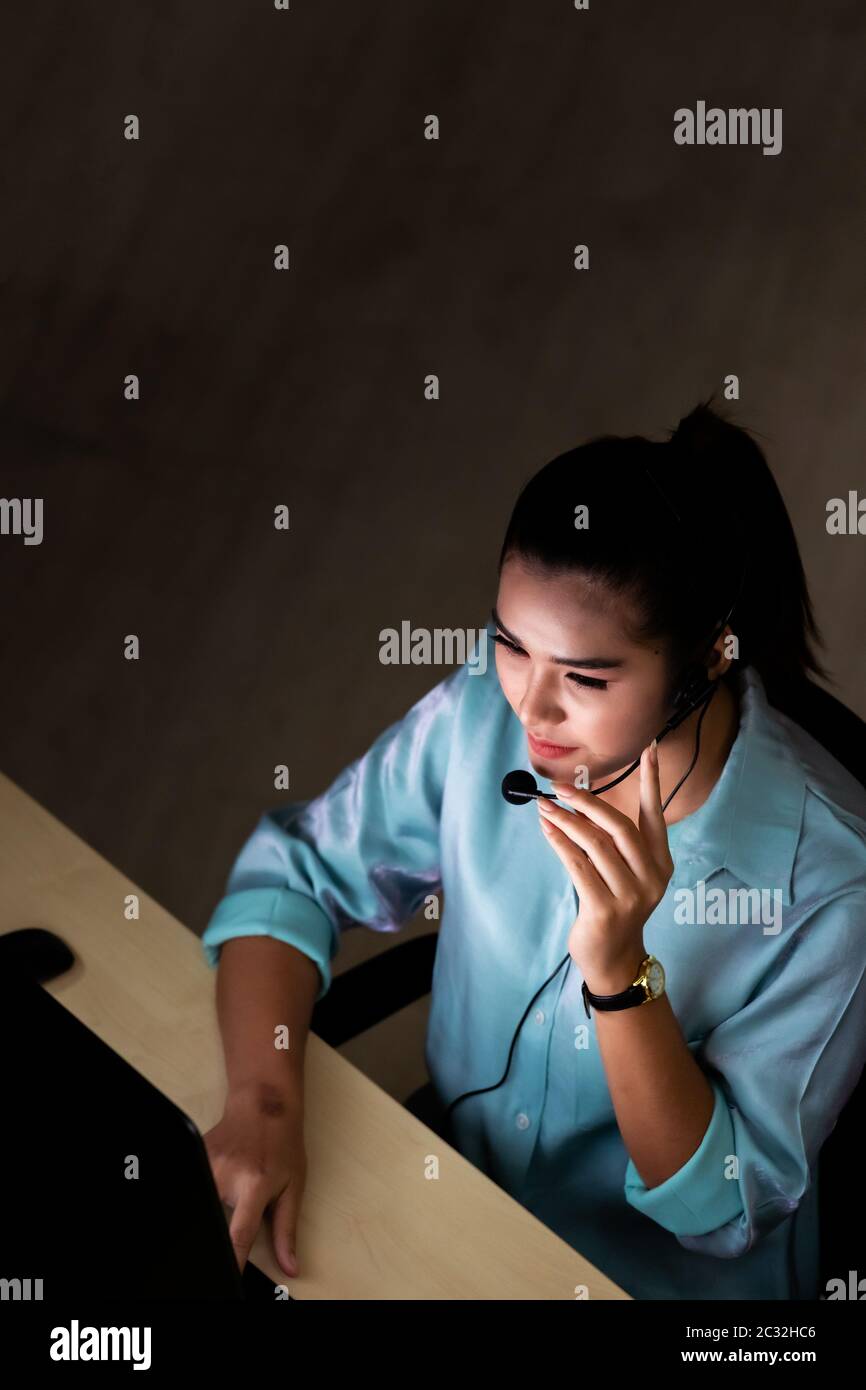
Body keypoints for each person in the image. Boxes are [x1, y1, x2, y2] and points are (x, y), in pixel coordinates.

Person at [200, 398, 866, 1299]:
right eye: (513, 644)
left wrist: (621, 976)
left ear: (713, 654)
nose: (530, 707)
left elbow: (723, 1211)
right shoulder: (486, 706)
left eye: (585, 678)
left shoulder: (831, 882)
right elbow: (297, 872)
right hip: (439, 1205)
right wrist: (263, 1105)